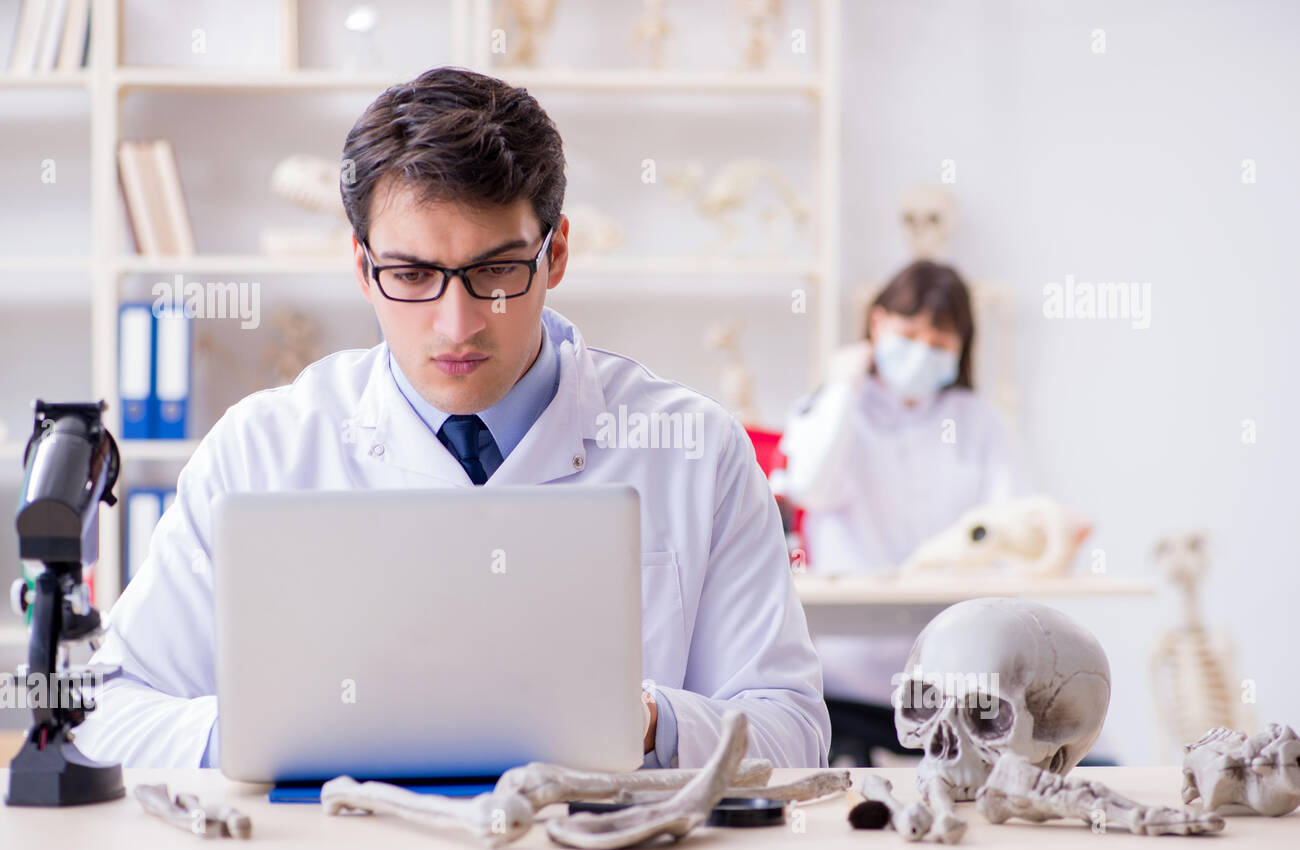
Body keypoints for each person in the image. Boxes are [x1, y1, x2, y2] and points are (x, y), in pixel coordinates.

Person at [74, 67, 830, 771]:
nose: (456, 323)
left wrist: (648, 718)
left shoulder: (696, 450)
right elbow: (103, 713)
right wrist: (270, 728)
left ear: (556, 253)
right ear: (364, 268)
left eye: (496, 270)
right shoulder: (260, 451)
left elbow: (793, 733)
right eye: (411, 275)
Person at [773, 260, 1024, 766]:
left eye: (939, 342)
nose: (921, 352)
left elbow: (1011, 527)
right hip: (841, 677)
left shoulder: (979, 423)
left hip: (951, 677)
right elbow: (811, 487)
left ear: (961, 348)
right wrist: (843, 386)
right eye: (909, 333)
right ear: (876, 324)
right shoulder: (831, 407)